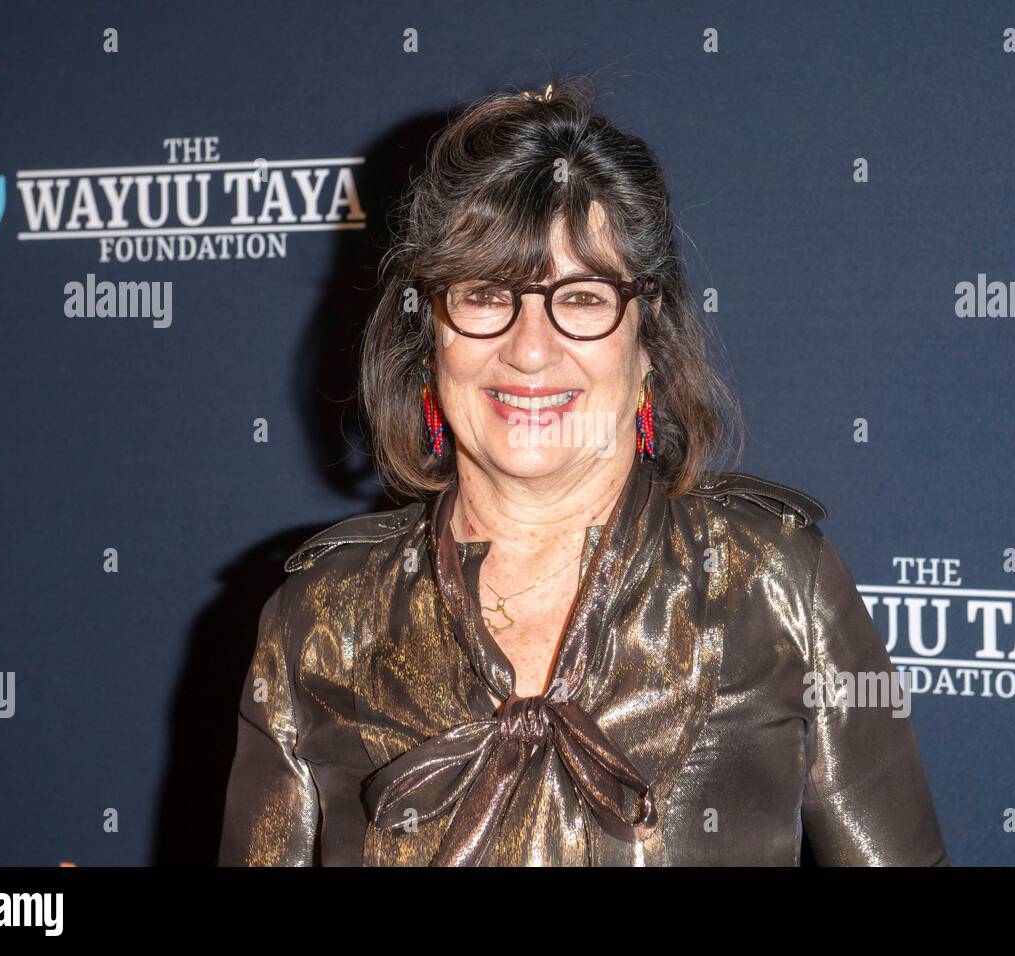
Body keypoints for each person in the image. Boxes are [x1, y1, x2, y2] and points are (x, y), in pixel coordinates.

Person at [217, 76, 949, 866]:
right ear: (429, 336)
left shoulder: (773, 583)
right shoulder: (318, 618)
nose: (531, 349)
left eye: (583, 297)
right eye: (484, 294)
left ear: (648, 336)